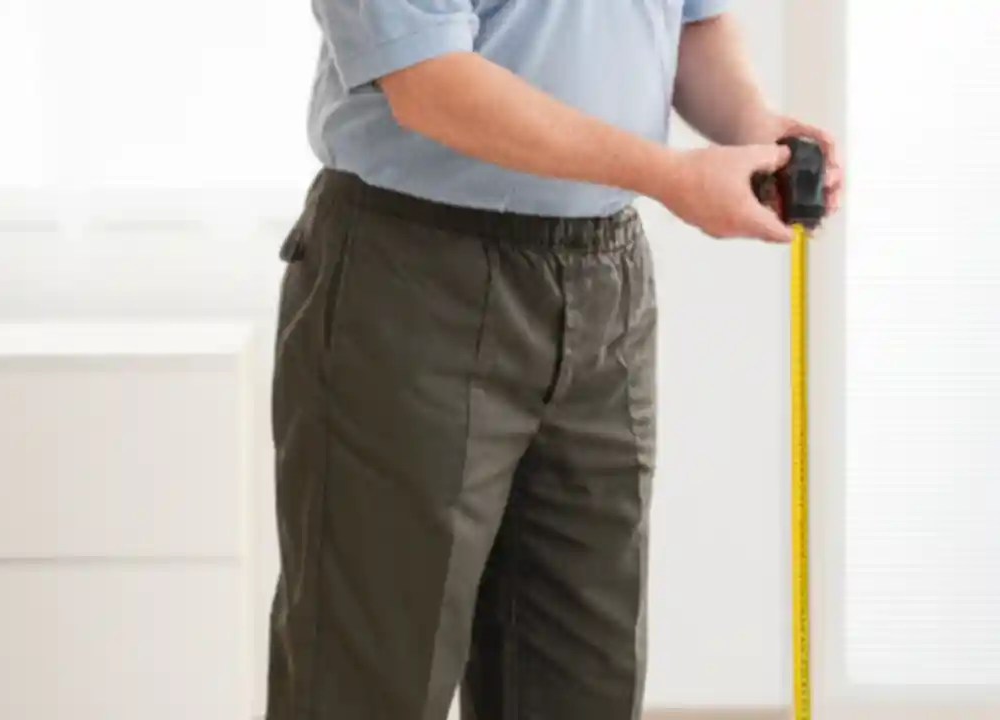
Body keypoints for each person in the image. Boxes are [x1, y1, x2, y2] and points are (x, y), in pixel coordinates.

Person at [266, 2, 842, 718]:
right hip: (415, 273)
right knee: (372, 681)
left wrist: (755, 124)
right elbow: (428, 81)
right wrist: (667, 173)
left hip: (605, 282)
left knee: (581, 676)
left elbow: (692, 20)